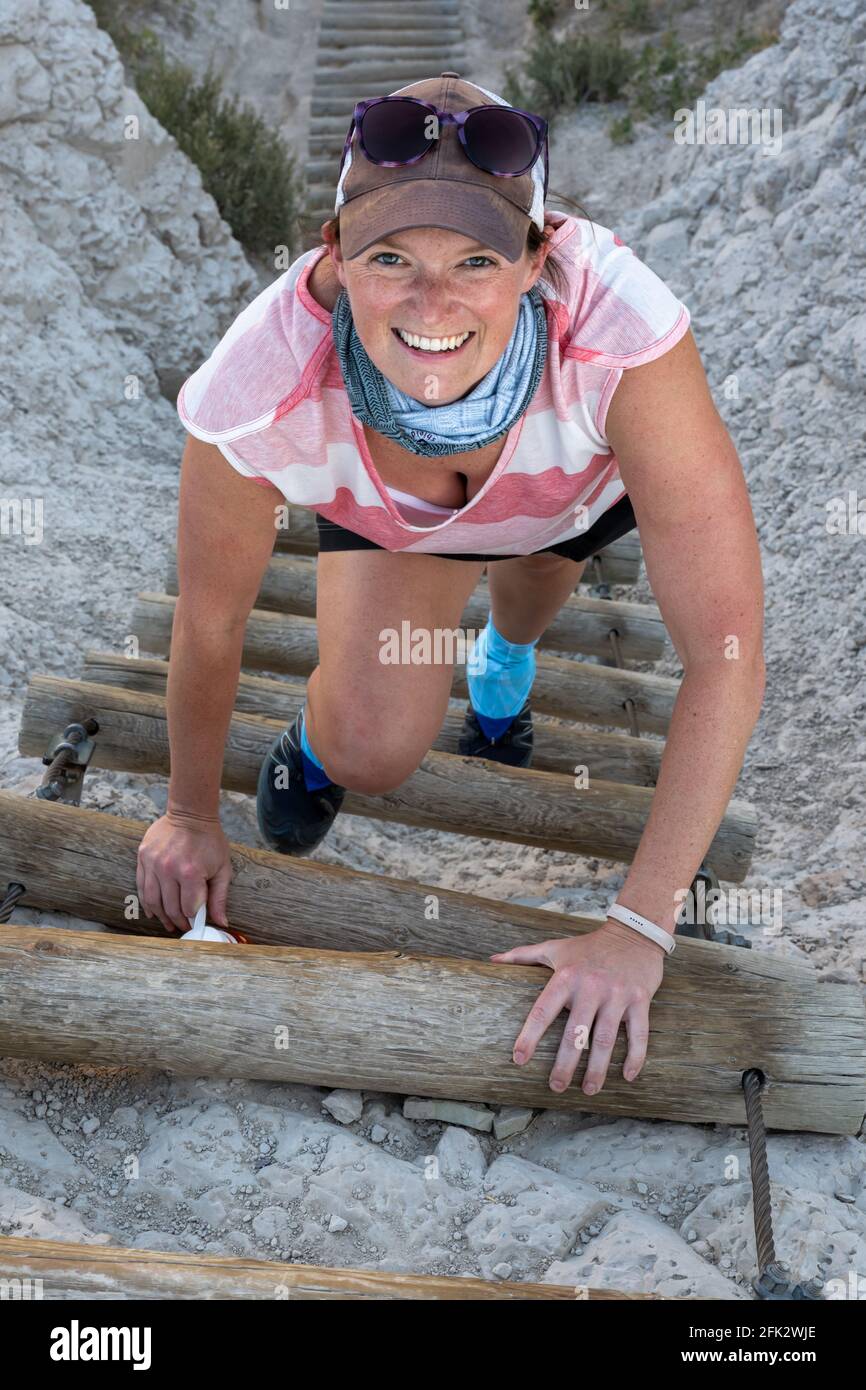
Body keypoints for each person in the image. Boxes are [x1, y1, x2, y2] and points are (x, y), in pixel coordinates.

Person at [137, 73, 765, 1100]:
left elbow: (725, 653)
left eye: (475, 259)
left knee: (522, 602)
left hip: (562, 495)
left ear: (537, 258)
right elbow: (210, 619)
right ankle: (319, 746)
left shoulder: (620, 329)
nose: (432, 304)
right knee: (371, 746)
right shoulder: (258, 381)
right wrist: (188, 812)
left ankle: (504, 662)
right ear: (333, 254)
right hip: (398, 522)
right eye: (391, 259)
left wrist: (636, 927)